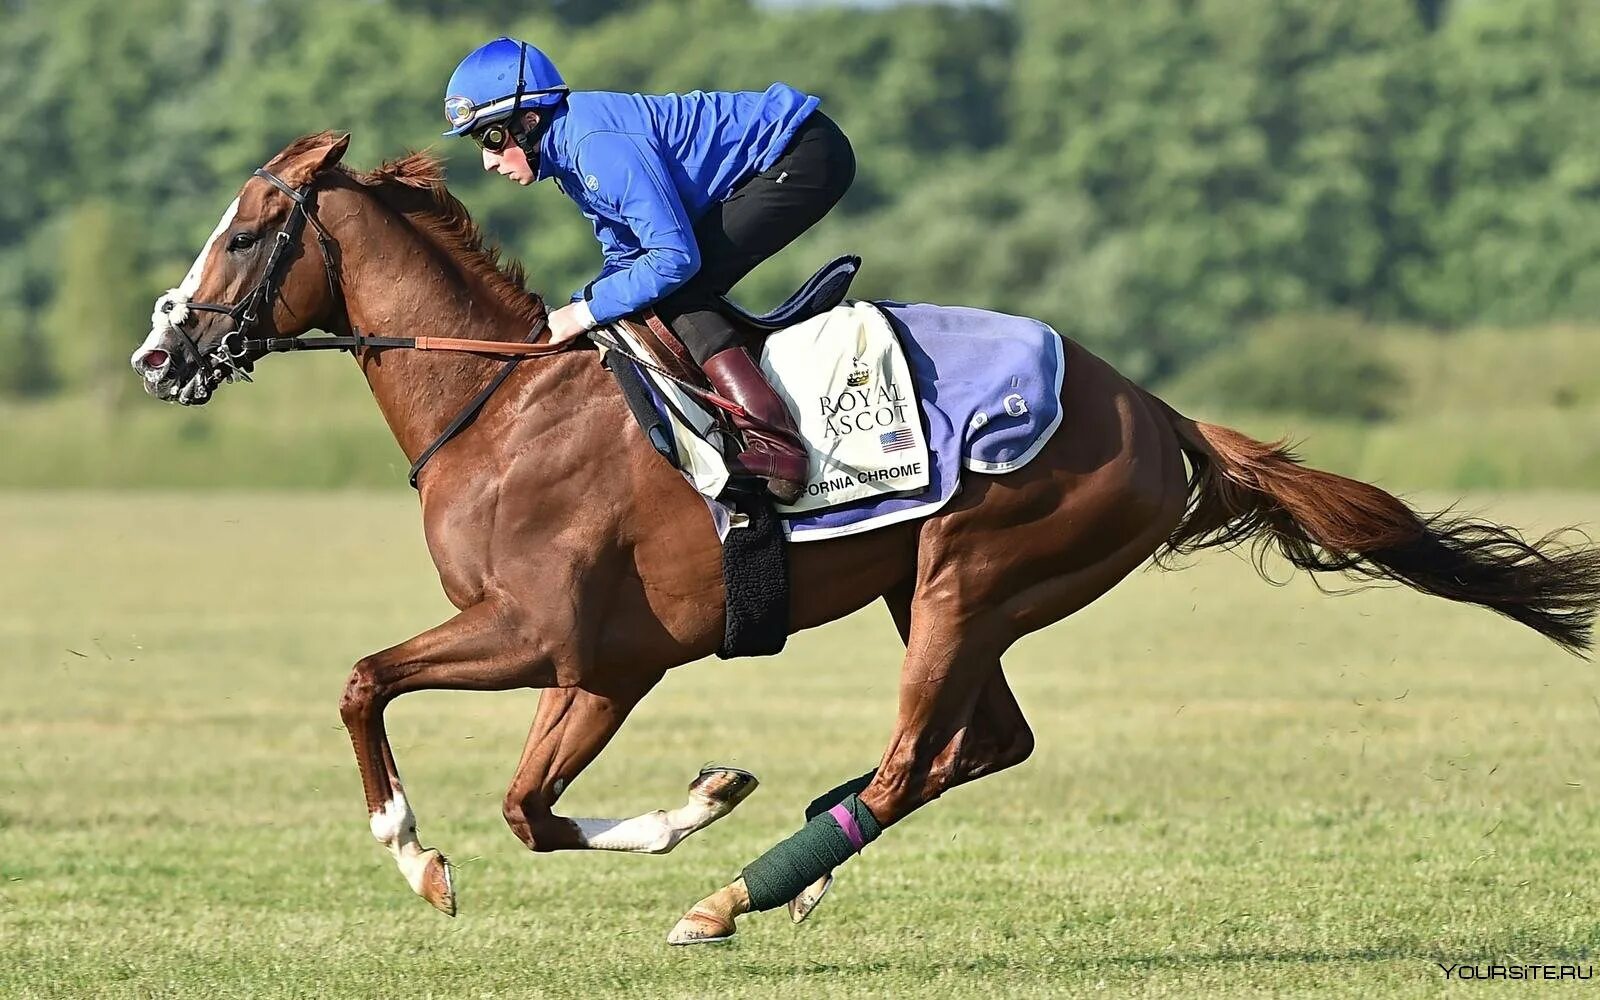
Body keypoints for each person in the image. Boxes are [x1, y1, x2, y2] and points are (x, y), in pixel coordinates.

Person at [442, 36, 856, 503]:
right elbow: (625, 258)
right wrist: (581, 305)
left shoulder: (595, 146)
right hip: (780, 158)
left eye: (491, 138)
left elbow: (674, 259)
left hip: (802, 153)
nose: (488, 160)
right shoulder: (568, 155)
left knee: (678, 288)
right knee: (646, 290)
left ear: (529, 120)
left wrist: (584, 313)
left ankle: (776, 444)